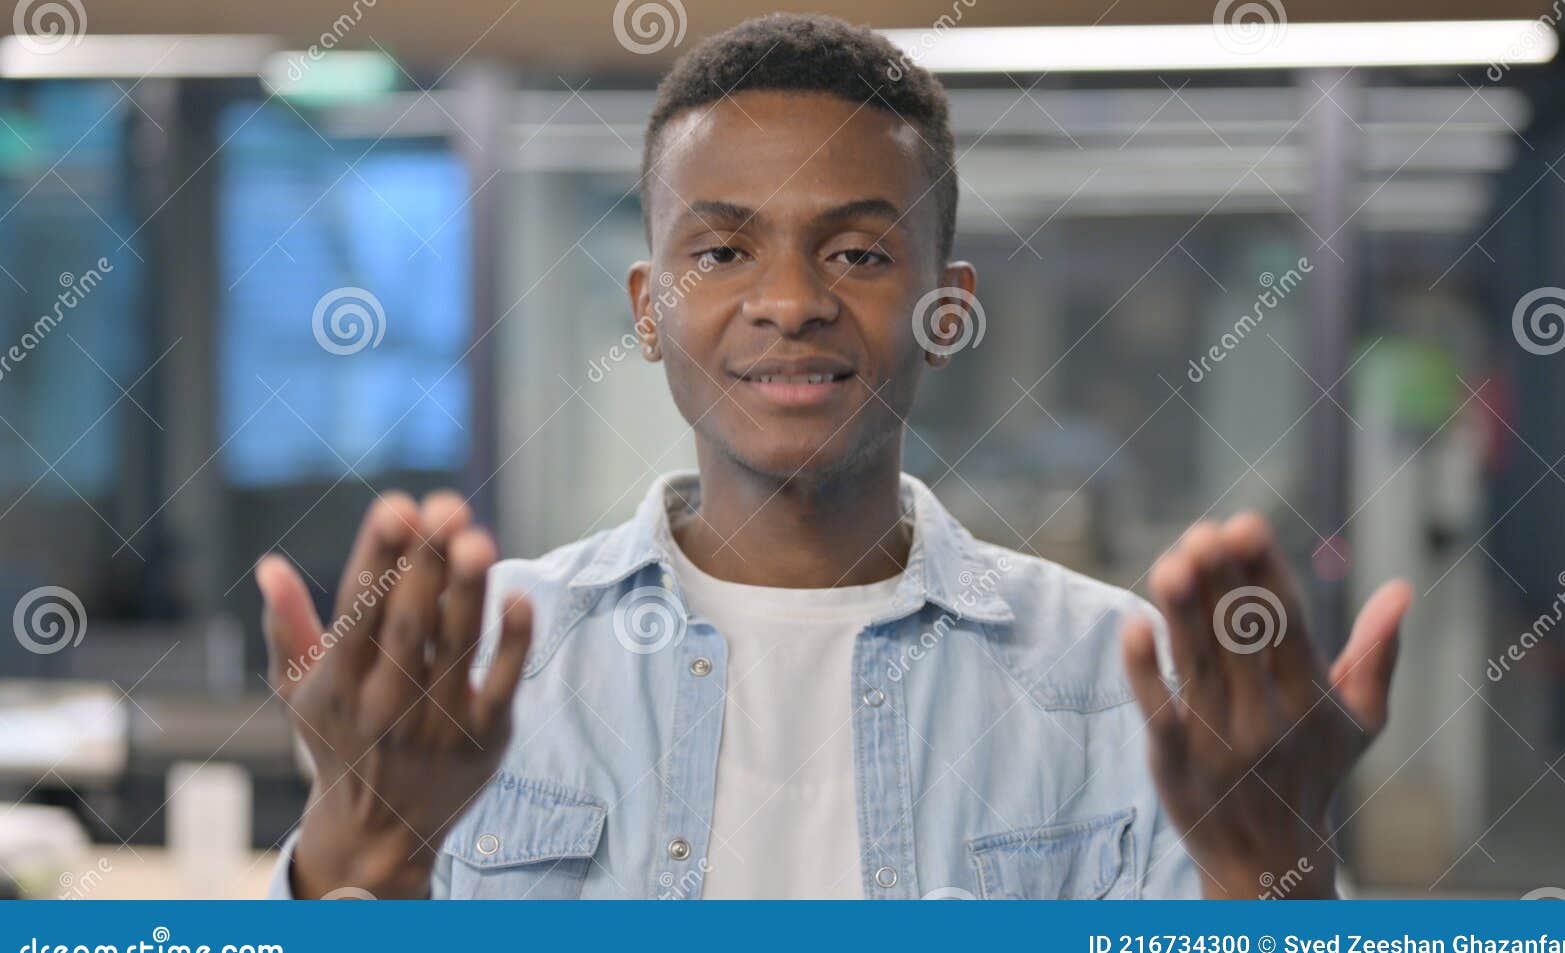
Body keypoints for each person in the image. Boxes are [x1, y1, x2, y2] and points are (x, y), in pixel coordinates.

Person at [256, 13, 1412, 900]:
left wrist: (1277, 884)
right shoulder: (475, 674)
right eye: (721, 252)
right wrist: (356, 871)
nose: (791, 301)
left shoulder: (1125, 684)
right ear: (647, 309)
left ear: (946, 310)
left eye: (858, 252)